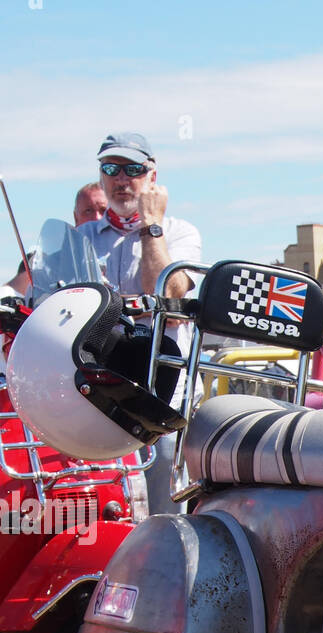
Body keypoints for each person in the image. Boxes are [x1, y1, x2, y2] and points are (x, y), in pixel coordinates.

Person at [77, 132, 201, 514]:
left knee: (165, 502)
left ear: (152, 177)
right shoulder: (81, 239)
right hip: (94, 387)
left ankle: (164, 570)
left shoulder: (179, 232)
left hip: (160, 390)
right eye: (111, 169)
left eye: (133, 169)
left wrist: (151, 223)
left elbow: (170, 293)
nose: (121, 178)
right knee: (97, 498)